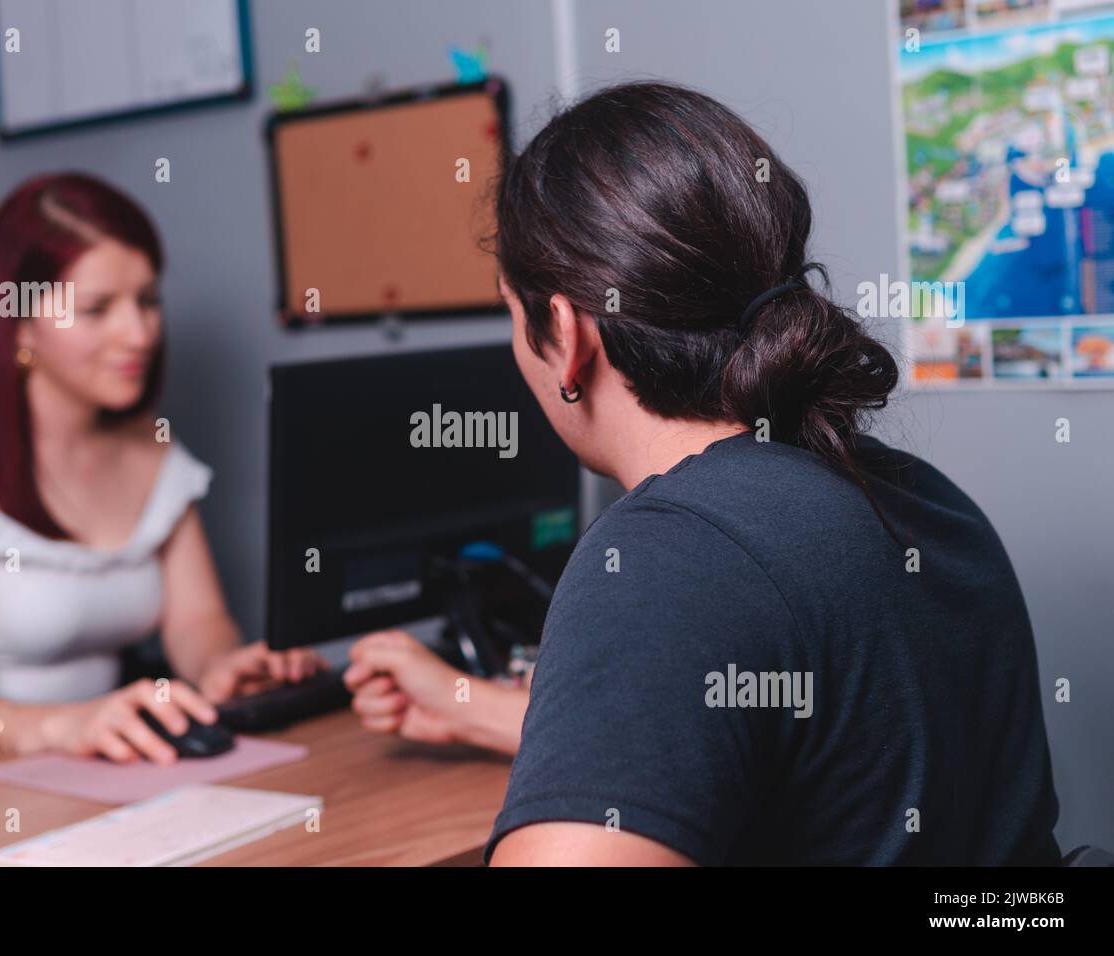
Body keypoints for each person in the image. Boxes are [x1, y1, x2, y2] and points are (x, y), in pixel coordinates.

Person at [348, 82, 1060, 866]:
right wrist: (478, 710)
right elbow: (787, 733)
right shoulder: (921, 500)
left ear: (566, 332)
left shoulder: (671, 561)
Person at [0, 173, 320, 773]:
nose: (140, 333)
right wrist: (62, 725)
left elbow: (197, 622)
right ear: (18, 324)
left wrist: (223, 666)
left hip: (89, 767)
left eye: (148, 301)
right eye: (98, 309)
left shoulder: (152, 445)